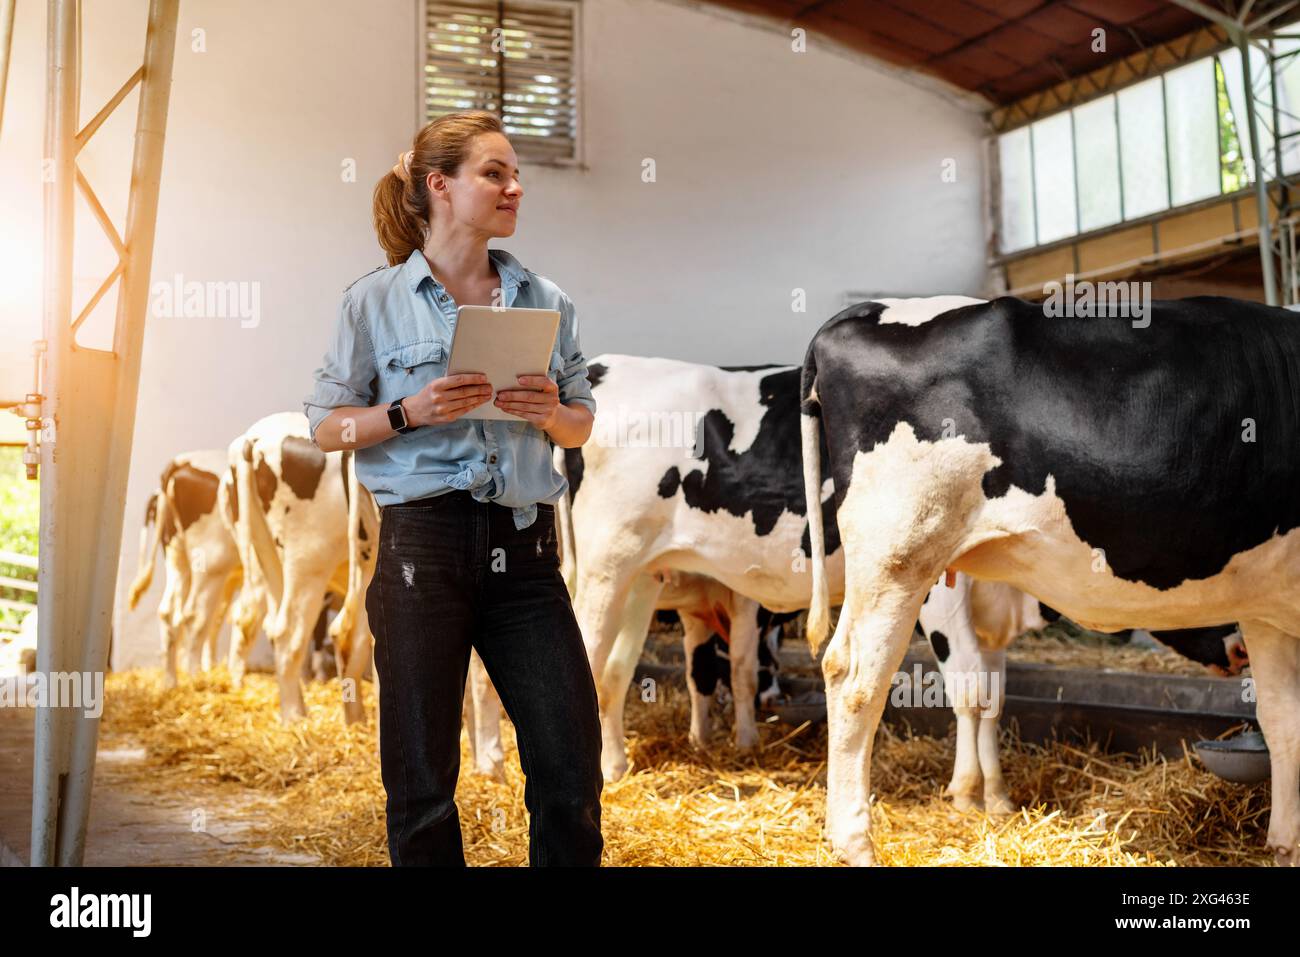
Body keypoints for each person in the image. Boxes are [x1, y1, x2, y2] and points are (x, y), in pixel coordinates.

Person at [303, 109, 603, 866]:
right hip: (419, 553)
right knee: (422, 782)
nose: (515, 187)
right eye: (495, 173)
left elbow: (581, 425)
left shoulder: (548, 299)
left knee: (569, 765)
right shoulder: (371, 302)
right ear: (440, 185)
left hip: (527, 552)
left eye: (515, 174)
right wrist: (410, 411)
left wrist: (553, 412)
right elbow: (325, 428)